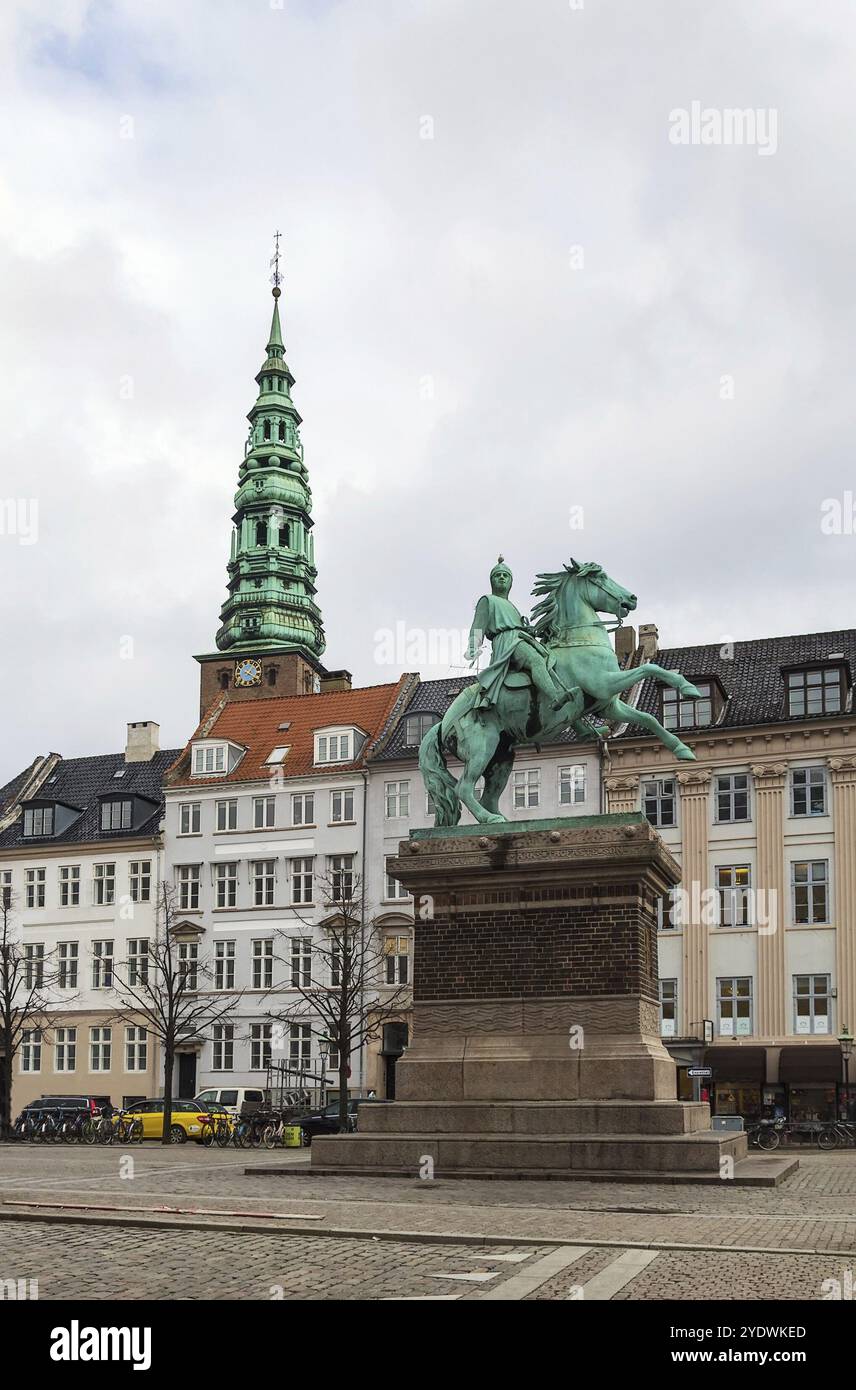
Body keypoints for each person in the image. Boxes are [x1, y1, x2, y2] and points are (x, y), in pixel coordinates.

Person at [466, 556, 574, 713]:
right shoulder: (487, 600)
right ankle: (555, 697)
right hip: (507, 641)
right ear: (492, 581)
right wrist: (472, 646)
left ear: (510, 582)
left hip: (521, 638)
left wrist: (527, 629)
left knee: (552, 664)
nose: (501, 577)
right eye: (497, 575)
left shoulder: (512, 606)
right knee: (536, 660)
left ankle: (575, 722)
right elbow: (477, 626)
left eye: (505, 575)